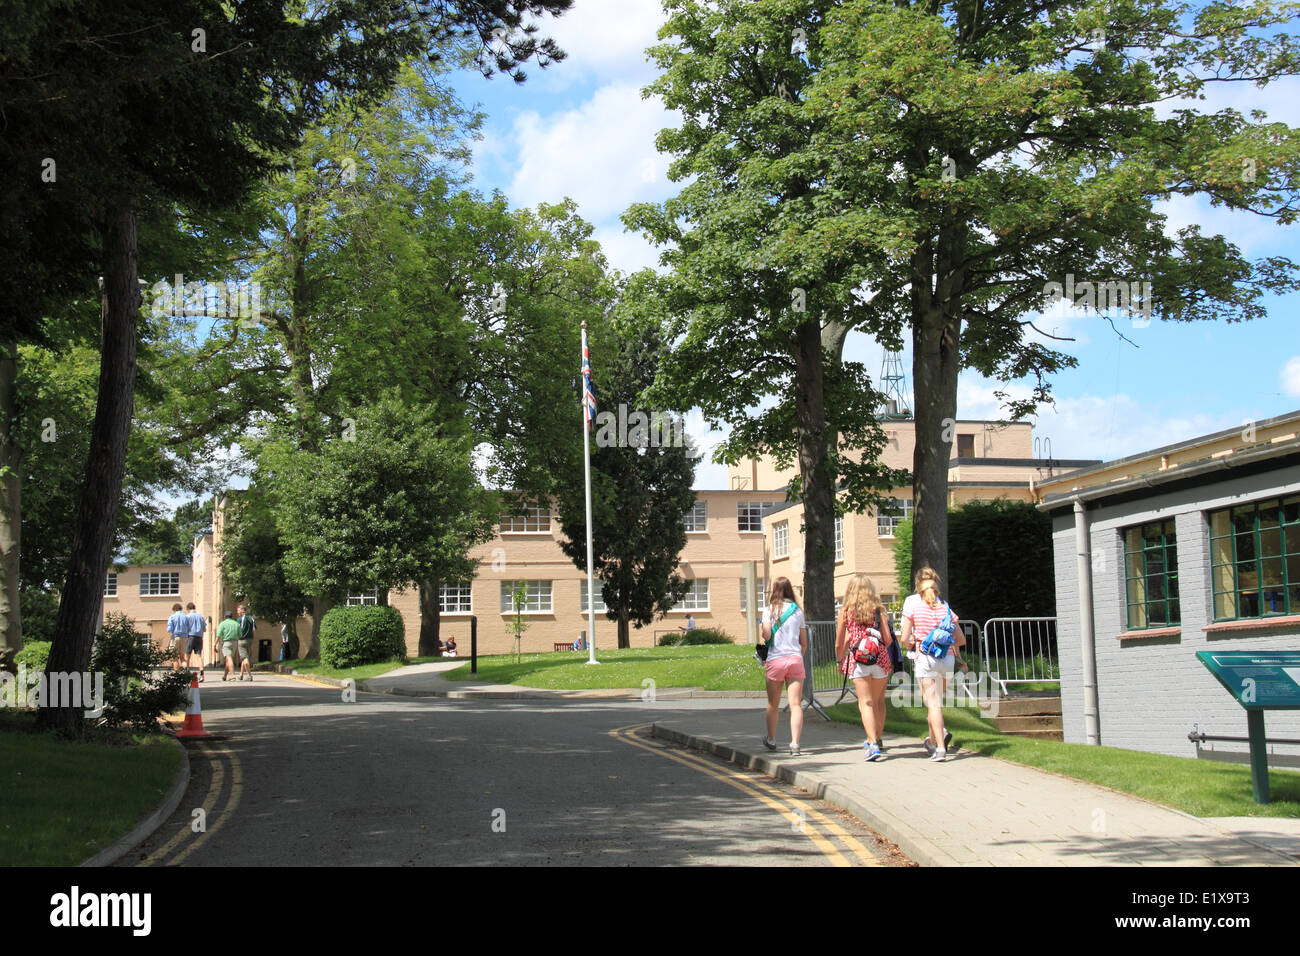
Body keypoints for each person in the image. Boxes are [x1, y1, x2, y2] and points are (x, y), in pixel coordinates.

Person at [898, 567, 967, 762]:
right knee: (935, 703)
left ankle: (941, 749)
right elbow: (960, 639)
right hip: (947, 659)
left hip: (926, 659)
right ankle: (932, 739)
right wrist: (944, 644)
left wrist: (913, 644)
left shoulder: (914, 606)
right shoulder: (945, 607)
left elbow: (904, 637)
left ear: (918, 585)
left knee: (933, 704)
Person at [835, 573, 893, 762]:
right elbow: (888, 639)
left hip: (858, 659)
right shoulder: (879, 610)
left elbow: (840, 642)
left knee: (866, 703)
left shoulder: (846, 611)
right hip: (880, 659)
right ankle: (877, 737)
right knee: (878, 702)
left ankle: (872, 743)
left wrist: (840, 659)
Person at [759, 577, 808, 755]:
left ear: (774, 590)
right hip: (795, 659)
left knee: (773, 704)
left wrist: (764, 628)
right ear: (789, 590)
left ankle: (771, 739)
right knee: (795, 704)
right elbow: (804, 642)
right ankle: (795, 744)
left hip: (775, 659)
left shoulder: (768, 610)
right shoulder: (798, 612)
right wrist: (797, 656)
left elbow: (765, 635)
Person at [184, 602, 206, 682]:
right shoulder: (200, 617)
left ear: (188, 609)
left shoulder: (187, 617)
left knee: (187, 656)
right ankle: (202, 674)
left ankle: (187, 673)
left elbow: (185, 628)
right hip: (199, 637)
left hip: (190, 636)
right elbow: (205, 629)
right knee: (198, 656)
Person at [216, 611, 240, 682]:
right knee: (229, 659)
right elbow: (240, 634)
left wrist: (215, 644)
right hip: (235, 642)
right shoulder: (236, 624)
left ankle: (233, 676)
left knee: (229, 658)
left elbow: (218, 635)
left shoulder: (222, 624)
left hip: (227, 642)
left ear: (225, 616)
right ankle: (225, 676)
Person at [166, 603, 189, 673]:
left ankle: (177, 674)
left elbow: (169, 629)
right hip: (184, 638)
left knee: (175, 657)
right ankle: (185, 668)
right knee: (182, 657)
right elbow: (188, 628)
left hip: (176, 637)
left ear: (174, 609)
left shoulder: (172, 617)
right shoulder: (186, 617)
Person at [236, 603, 256, 681]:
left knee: (244, 658)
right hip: (250, 639)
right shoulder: (251, 618)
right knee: (244, 656)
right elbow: (253, 630)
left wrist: (238, 637)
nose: (237, 612)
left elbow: (238, 630)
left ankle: (249, 675)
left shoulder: (239, 619)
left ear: (242, 610)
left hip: (242, 640)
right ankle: (241, 674)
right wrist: (252, 638)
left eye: (238, 610)